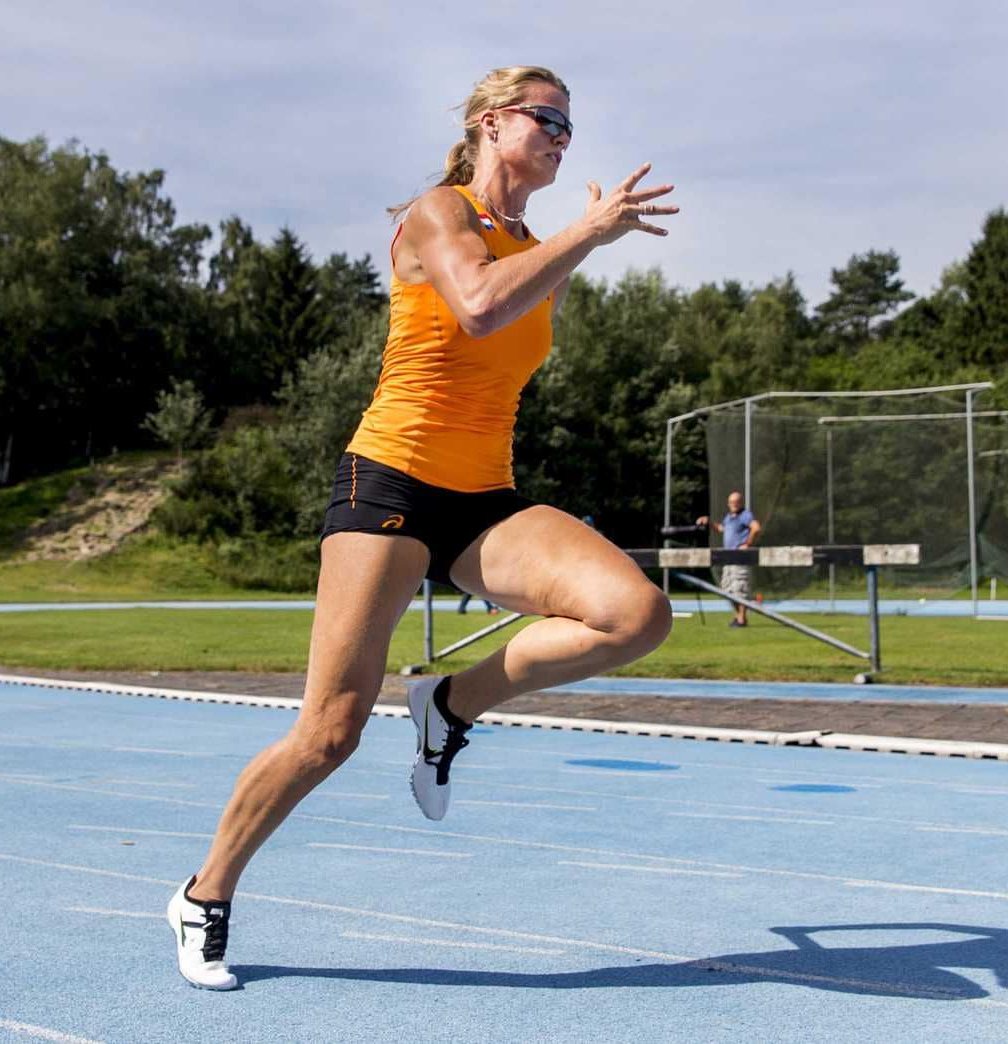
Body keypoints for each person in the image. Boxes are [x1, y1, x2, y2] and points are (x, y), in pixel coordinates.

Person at [168, 65, 679, 991]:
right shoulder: (438, 213)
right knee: (330, 732)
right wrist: (588, 234)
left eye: (570, 126)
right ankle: (205, 894)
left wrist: (574, 243)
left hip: (484, 497)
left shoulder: (536, 244)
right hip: (391, 481)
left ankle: (450, 706)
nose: (562, 137)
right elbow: (478, 306)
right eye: (547, 119)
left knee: (635, 614)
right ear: (492, 123)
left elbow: (513, 313)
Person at [696, 490, 762, 627]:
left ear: (740, 502)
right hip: (728, 558)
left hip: (740, 558)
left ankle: (742, 620)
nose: (733, 504)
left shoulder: (745, 515)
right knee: (726, 589)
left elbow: (756, 528)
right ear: (728, 503)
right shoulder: (729, 517)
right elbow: (721, 529)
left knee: (740, 589)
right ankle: (738, 617)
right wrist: (709, 522)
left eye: (736, 502)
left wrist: (747, 543)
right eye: (731, 502)